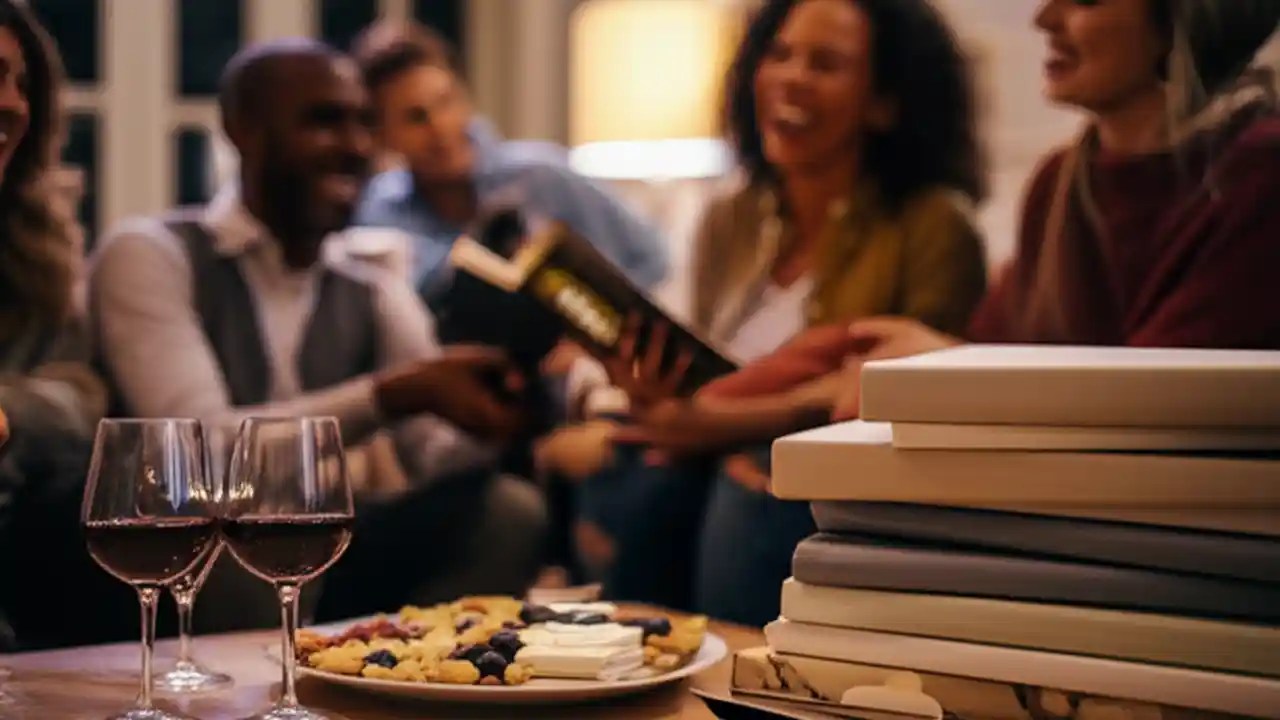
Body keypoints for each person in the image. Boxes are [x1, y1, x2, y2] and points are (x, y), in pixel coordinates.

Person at [90, 40, 546, 632]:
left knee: (509, 512)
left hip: (330, 546)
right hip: (175, 556)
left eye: (364, 124)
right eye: (324, 122)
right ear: (243, 129)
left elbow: (434, 452)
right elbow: (198, 454)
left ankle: (421, 684)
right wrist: (390, 396)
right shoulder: (152, 253)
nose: (356, 146)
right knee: (232, 534)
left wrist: (503, 411)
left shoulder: (370, 285)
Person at [577, 0, 988, 623]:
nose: (791, 78)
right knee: (623, 470)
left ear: (883, 101)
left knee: (739, 482)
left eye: (825, 64)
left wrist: (718, 423)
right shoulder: (732, 218)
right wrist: (657, 389)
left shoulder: (935, 225)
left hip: (827, 480)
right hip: (704, 457)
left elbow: (907, 390)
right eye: (780, 54)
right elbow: (709, 370)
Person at [825, 0, 1280, 416]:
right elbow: (990, 349)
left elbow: (1154, 405)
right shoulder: (1058, 180)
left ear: (1181, 19)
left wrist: (945, 364)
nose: (1044, 19)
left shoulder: (1259, 173)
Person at [350, 20, 670, 306]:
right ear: (381, 135)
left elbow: (651, 258)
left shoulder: (543, 176)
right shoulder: (378, 217)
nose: (441, 127)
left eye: (446, 102)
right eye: (415, 117)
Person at [0, 0, 114, 650]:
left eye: (24, 84)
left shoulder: (35, 249)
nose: (14, 104)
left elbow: (83, 400)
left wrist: (7, 411)